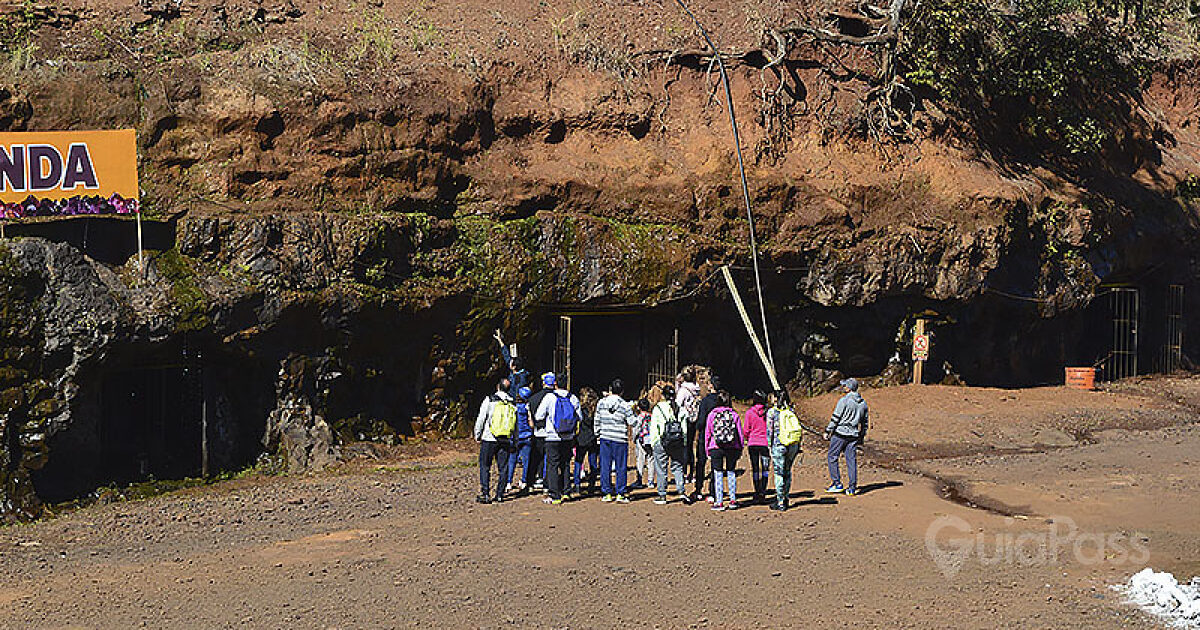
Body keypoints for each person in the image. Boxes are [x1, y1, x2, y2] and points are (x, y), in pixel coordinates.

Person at [535, 372, 579, 505]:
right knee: (565, 464)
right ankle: (566, 492)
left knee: (552, 465)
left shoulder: (550, 397)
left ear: (555, 383)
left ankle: (555, 495)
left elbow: (539, 415)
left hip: (552, 436)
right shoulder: (573, 398)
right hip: (568, 437)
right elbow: (579, 417)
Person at [650, 385, 694, 505]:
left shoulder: (658, 408)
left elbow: (654, 427)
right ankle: (681, 491)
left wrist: (654, 442)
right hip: (678, 442)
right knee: (678, 467)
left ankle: (662, 495)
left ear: (663, 395)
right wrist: (684, 442)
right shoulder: (680, 409)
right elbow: (684, 429)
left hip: (662, 442)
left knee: (661, 469)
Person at [473, 378, 514, 504]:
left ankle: (485, 493)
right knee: (503, 467)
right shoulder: (511, 402)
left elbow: (481, 418)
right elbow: (514, 423)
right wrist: (514, 439)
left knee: (485, 465)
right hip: (505, 439)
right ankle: (500, 494)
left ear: (498, 387)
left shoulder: (489, 400)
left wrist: (477, 434)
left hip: (489, 437)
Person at [825, 377, 869, 496]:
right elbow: (865, 423)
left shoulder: (843, 401)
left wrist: (828, 431)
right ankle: (852, 487)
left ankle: (836, 483)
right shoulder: (863, 403)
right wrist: (861, 436)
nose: (843, 387)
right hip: (853, 436)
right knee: (851, 460)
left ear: (849, 388)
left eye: (845, 386)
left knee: (832, 456)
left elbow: (835, 418)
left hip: (840, 434)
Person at [595, 379, 636, 503]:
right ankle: (620, 492)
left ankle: (606, 493)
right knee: (621, 466)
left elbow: (597, 420)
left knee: (605, 465)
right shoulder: (625, 405)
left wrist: (598, 433)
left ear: (610, 389)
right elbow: (632, 422)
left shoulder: (601, 403)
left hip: (605, 436)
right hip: (620, 439)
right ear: (622, 391)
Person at [704, 390, 744, 511]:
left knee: (718, 473)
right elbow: (739, 433)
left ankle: (719, 501)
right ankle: (732, 500)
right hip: (732, 447)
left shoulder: (712, 414)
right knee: (731, 472)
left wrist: (707, 449)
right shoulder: (734, 414)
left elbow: (708, 433)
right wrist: (740, 447)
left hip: (716, 447)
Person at [767, 389, 802, 511]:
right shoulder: (791, 411)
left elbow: (769, 431)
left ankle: (780, 501)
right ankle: (786, 497)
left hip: (778, 445)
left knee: (779, 473)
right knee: (788, 471)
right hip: (792, 444)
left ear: (775, 399)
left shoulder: (772, 412)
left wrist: (769, 446)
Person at [692, 374, 721, 501]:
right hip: (720, 435)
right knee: (716, 464)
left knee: (701, 463)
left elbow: (701, 420)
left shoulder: (706, 401)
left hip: (705, 435)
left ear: (711, 386)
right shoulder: (724, 399)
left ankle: (698, 489)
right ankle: (713, 492)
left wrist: (698, 427)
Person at [526, 373, 556, 491]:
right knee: (551, 460)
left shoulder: (533, 398)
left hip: (538, 432)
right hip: (553, 433)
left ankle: (530, 483)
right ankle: (548, 483)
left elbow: (531, 414)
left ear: (543, 383)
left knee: (534, 459)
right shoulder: (558, 397)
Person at [742, 390, 771, 504]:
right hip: (765, 444)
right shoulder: (768, 412)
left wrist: (748, 437)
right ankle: (763, 491)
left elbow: (746, 430)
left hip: (753, 443)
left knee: (755, 468)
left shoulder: (749, 413)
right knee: (765, 468)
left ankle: (756, 491)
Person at [505, 386, 535, 495]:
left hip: (515, 437)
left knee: (512, 460)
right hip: (527, 437)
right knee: (526, 460)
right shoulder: (527, 408)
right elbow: (531, 425)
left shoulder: (514, 408)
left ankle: (508, 482)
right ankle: (524, 481)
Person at [572, 387, 601, 496]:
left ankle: (577, 484)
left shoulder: (580, 409)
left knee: (578, 462)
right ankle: (591, 485)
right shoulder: (595, 410)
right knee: (593, 463)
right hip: (592, 438)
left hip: (581, 439)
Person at [676, 367, 702, 478]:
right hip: (693, 418)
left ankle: (684, 472)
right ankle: (692, 472)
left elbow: (678, 403)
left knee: (685, 446)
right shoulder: (696, 388)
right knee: (691, 445)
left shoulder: (683, 390)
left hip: (684, 419)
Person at [493, 330, 530, 400]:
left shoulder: (520, 380)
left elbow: (516, 395)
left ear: (514, 367)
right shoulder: (517, 370)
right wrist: (499, 339)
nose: (509, 361)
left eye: (511, 362)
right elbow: (506, 355)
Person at [631, 398, 654, 490]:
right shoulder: (651, 416)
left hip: (642, 440)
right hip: (651, 439)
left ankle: (639, 480)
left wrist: (633, 438)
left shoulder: (640, 417)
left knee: (640, 460)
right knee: (651, 460)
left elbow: (636, 428)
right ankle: (650, 481)